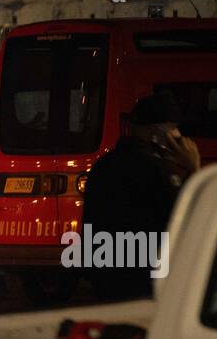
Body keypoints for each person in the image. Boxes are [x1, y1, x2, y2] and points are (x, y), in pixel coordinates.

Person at [80, 91, 201, 300]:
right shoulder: (157, 171)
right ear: (158, 133)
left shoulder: (104, 166)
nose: (181, 138)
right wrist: (194, 169)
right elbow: (187, 218)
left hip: (106, 278)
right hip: (144, 282)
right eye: (175, 131)